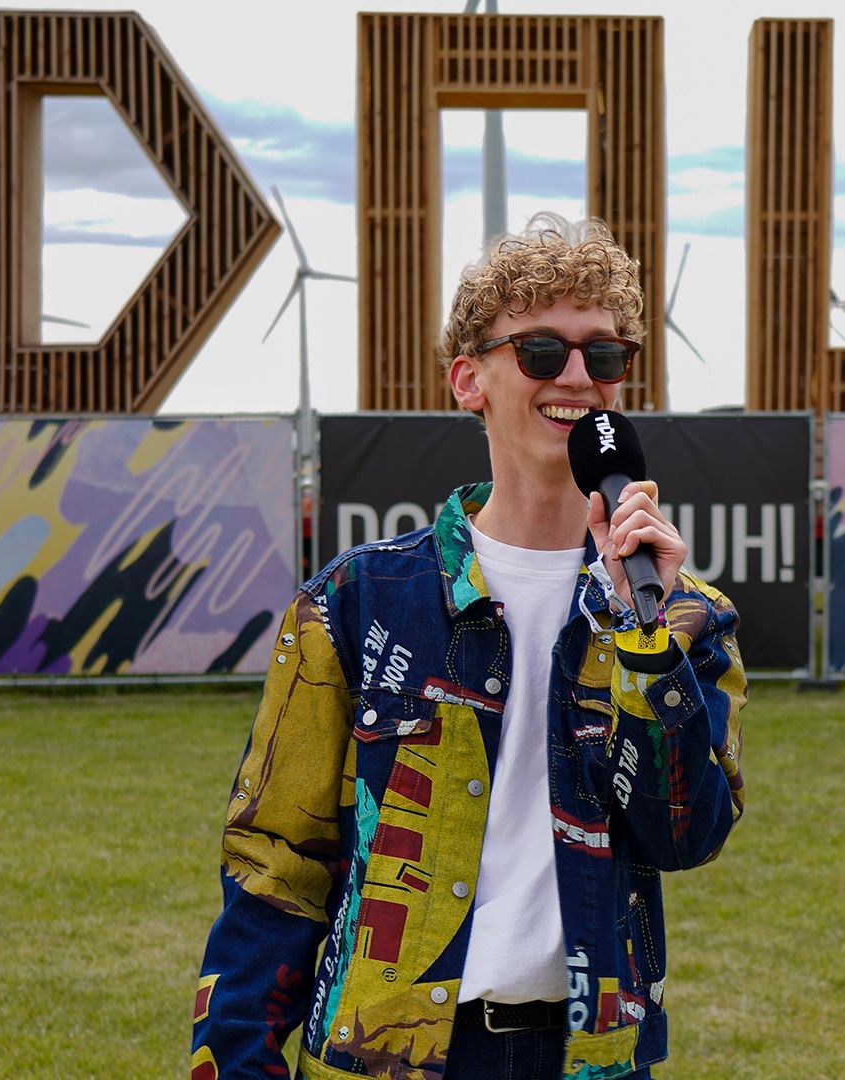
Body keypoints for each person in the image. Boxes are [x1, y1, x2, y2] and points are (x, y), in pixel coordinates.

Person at [192, 214, 747, 1080]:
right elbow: (275, 863)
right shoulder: (354, 601)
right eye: (540, 352)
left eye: (603, 356)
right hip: (389, 1055)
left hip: (589, 1058)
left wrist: (645, 637)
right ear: (468, 380)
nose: (577, 378)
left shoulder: (683, 617)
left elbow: (687, 833)